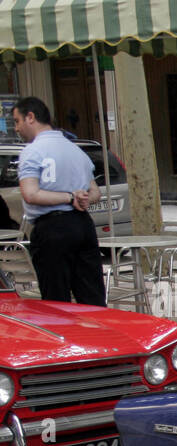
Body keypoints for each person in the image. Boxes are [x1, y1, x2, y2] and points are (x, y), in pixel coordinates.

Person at [10, 96, 106, 305]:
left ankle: (63, 337)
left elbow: (31, 194)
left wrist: (70, 197)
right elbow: (96, 193)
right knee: (92, 296)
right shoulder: (75, 149)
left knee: (56, 300)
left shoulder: (32, 151)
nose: (16, 129)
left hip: (52, 229)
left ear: (31, 117)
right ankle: (99, 335)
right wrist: (81, 198)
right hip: (83, 225)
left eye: (17, 121)